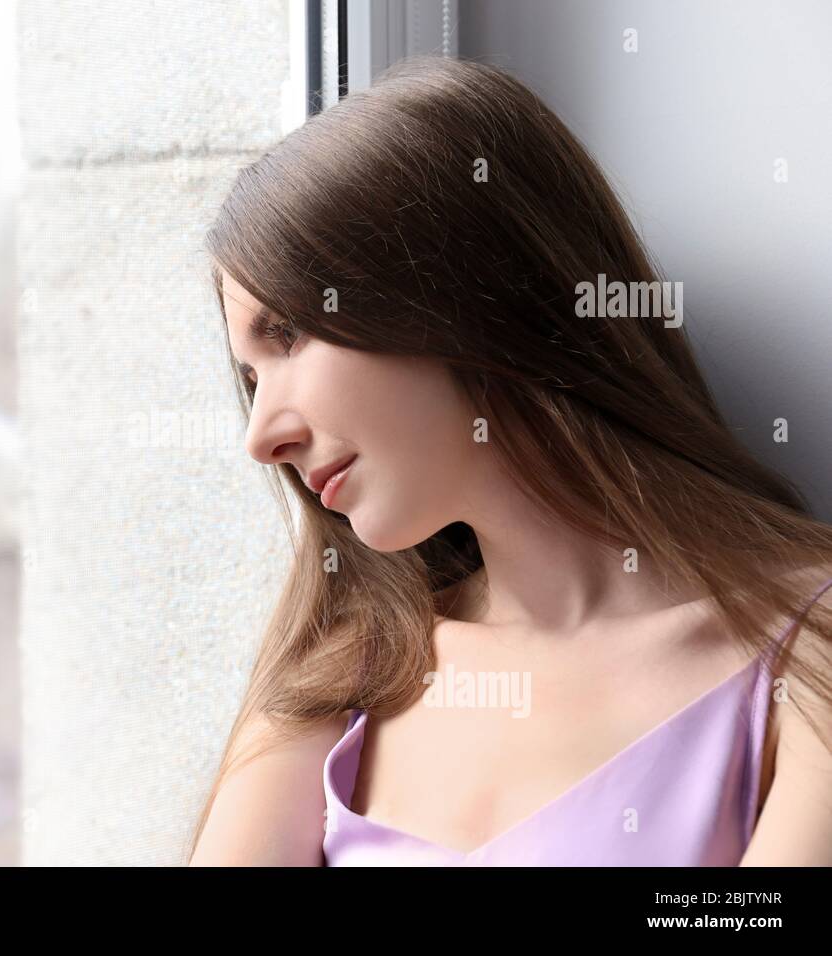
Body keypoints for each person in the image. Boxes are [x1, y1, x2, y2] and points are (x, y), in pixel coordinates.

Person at [186, 56, 832, 866]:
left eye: (287, 335)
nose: (262, 436)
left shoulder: (811, 653)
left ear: (463, 289)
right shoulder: (342, 680)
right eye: (251, 380)